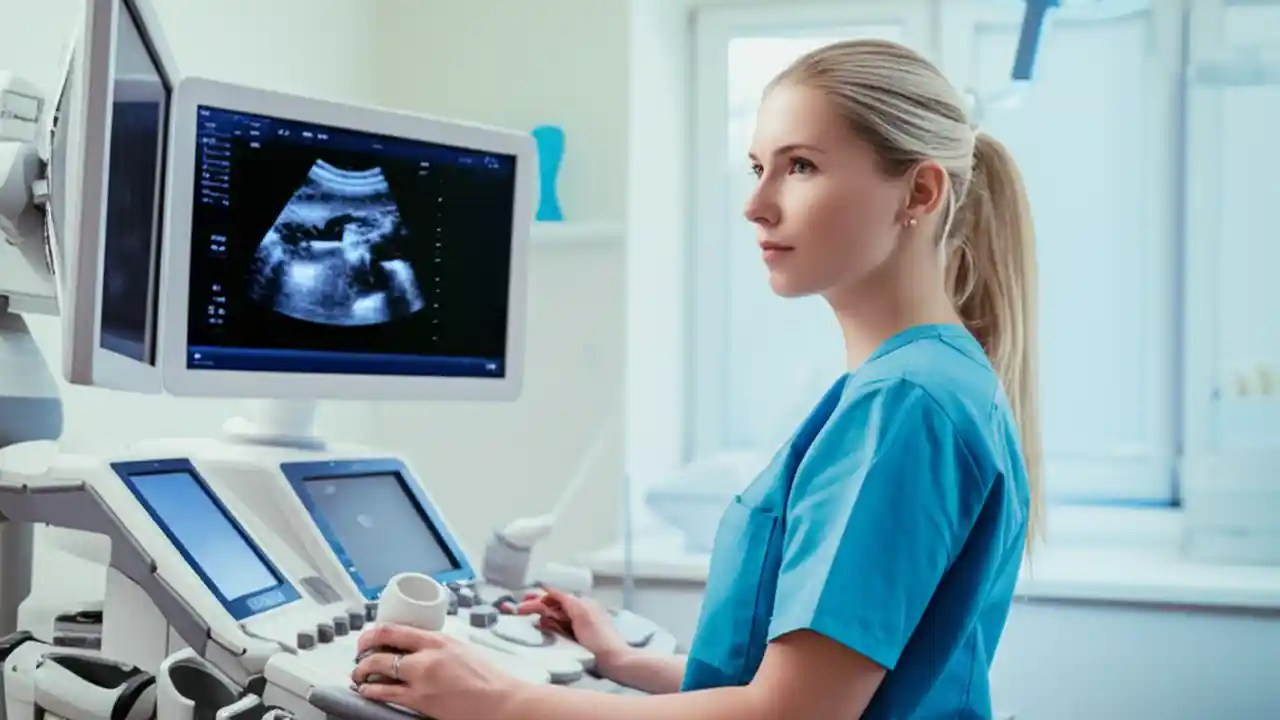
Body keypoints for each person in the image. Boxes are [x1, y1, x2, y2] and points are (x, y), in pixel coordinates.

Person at [350, 37, 1041, 720]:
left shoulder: (905, 404)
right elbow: (806, 683)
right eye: (755, 167)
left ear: (919, 190)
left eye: (799, 166)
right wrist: (625, 660)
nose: (757, 204)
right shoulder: (934, 381)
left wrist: (500, 701)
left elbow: (793, 714)